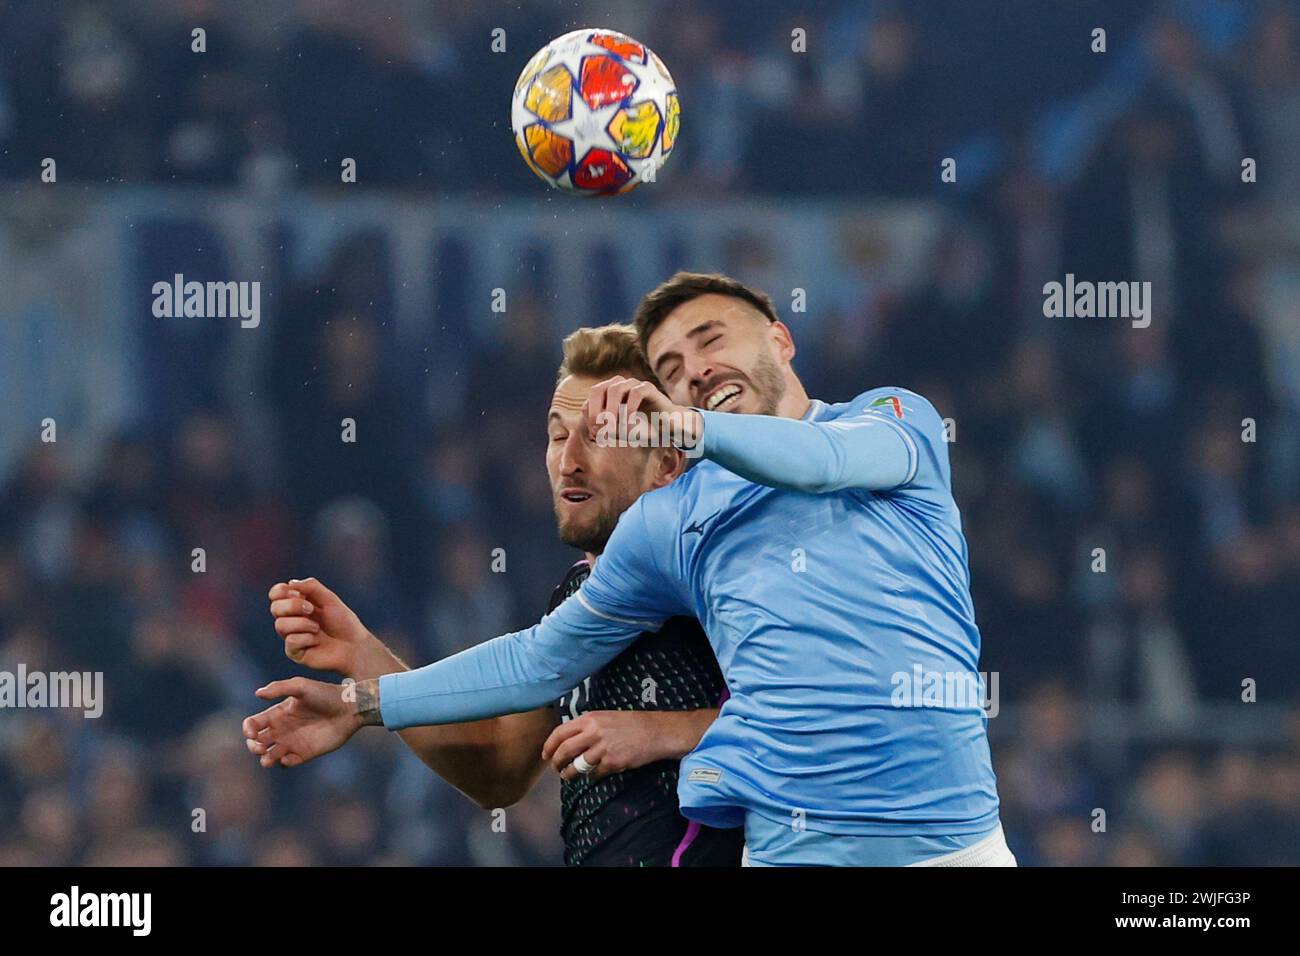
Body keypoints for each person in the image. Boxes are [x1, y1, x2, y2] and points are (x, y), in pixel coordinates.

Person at [246, 272, 1015, 867]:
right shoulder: (669, 521)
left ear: (780, 340)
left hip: (957, 846)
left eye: (714, 341)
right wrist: (363, 701)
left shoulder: (889, 421)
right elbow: (538, 658)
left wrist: (686, 424)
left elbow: (820, 463)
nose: (698, 371)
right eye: (673, 367)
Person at [248, 324, 741, 867]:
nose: (568, 460)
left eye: (600, 434)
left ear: (666, 464)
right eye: (558, 434)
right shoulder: (576, 594)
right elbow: (498, 772)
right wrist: (364, 660)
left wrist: (667, 730)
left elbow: (830, 716)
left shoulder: (712, 573)